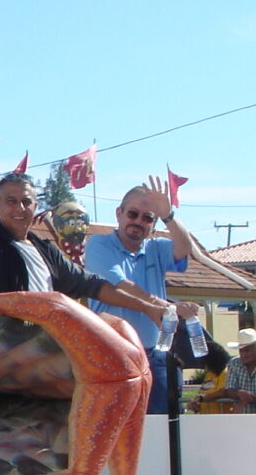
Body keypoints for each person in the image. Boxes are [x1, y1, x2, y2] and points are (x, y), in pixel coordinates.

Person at [0, 119, 170, 328]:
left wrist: (147, 307)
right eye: (11, 201)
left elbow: (94, 286)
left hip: (42, 347)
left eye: (26, 202)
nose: (19, 208)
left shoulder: (47, 253)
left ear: (36, 206)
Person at [84, 173, 201, 414]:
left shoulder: (155, 248)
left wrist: (168, 216)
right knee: (115, 427)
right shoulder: (98, 244)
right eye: (132, 214)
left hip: (154, 354)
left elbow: (184, 248)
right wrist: (166, 307)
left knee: (162, 426)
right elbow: (120, 285)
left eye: (148, 218)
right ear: (119, 214)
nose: (138, 221)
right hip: (111, 353)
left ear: (154, 225)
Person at [198, 329, 256, 420]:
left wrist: (251, 397)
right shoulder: (234, 363)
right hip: (242, 416)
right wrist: (239, 393)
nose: (244, 354)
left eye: (247, 350)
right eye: (241, 351)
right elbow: (229, 389)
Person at [190, 341, 234, 414]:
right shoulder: (209, 375)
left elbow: (223, 392)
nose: (204, 366)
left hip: (222, 418)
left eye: (205, 362)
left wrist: (201, 398)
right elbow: (203, 392)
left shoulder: (226, 373)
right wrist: (195, 403)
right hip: (206, 417)